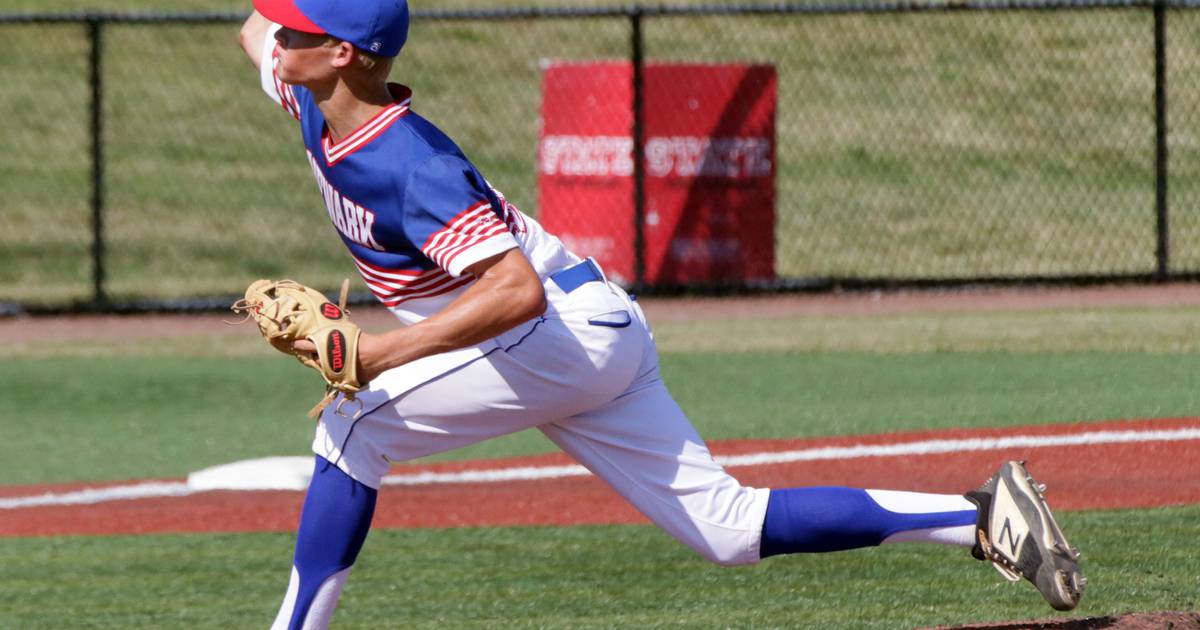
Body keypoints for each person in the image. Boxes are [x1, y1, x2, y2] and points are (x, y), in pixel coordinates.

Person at [236, 2, 1085, 627]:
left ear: (343, 53)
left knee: (354, 429)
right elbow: (251, 34)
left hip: (548, 331)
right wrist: (279, 24)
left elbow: (512, 291)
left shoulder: (408, 164)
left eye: (296, 29)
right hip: (590, 330)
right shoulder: (310, 93)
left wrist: (382, 356)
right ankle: (978, 517)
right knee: (727, 529)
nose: (278, 38)